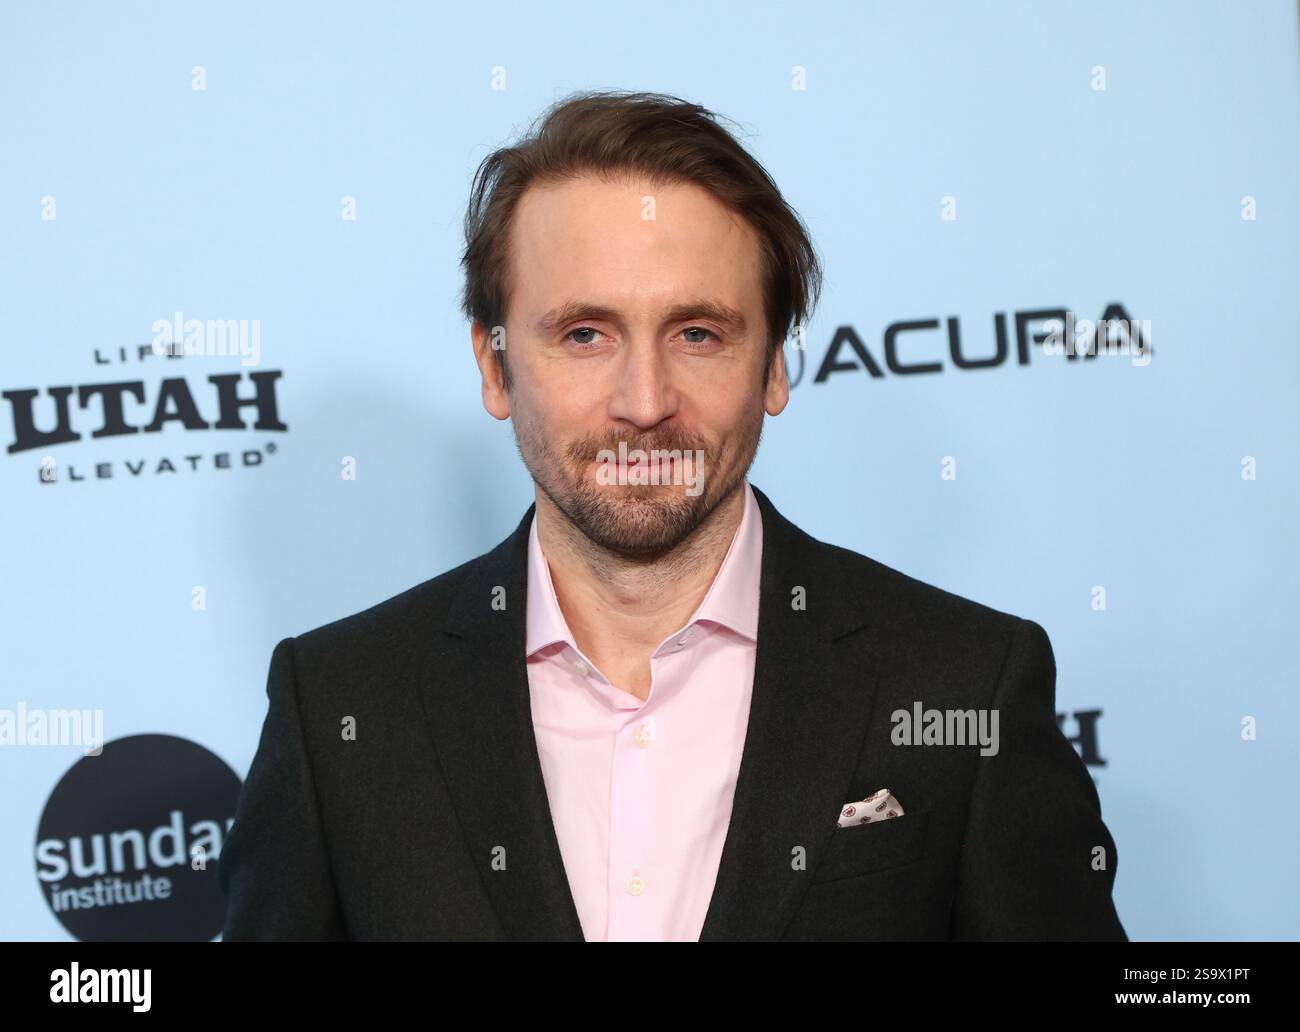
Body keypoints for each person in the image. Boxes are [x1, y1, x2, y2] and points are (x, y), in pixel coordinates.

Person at [218, 89, 1126, 941]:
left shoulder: (965, 682)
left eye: (698, 333)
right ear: (496, 367)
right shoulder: (338, 708)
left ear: (774, 366)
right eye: (585, 334)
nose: (645, 400)